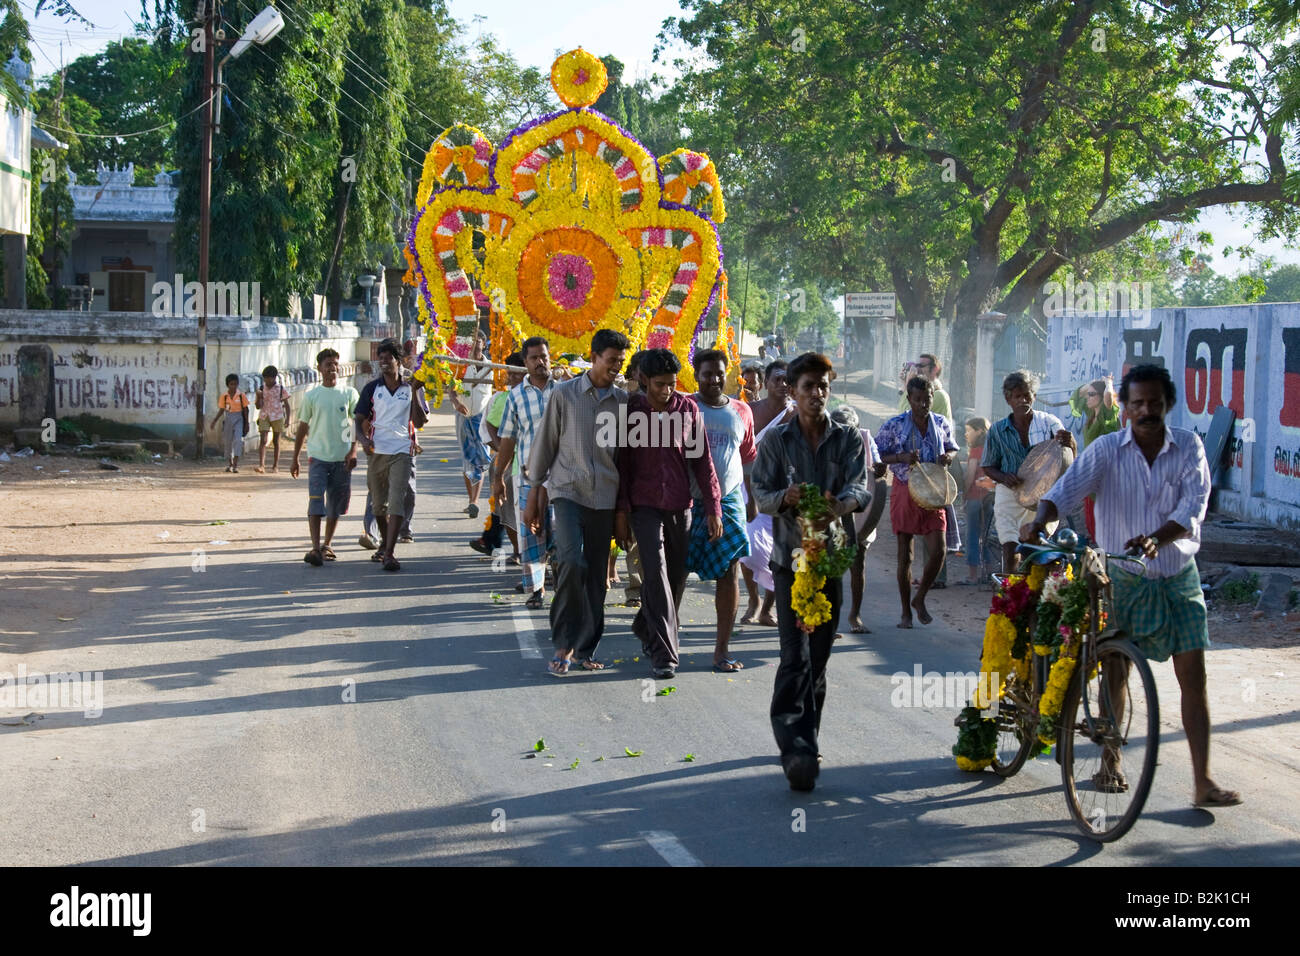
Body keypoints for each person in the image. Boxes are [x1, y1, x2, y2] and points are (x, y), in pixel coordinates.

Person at [1021, 364, 1241, 810]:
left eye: (1154, 403)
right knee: (1115, 672)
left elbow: (1194, 507)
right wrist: (1038, 519)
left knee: (1193, 679)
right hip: (1119, 577)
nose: (1146, 411)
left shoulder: (1190, 447)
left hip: (1178, 577)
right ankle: (1111, 759)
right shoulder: (1105, 450)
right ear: (1124, 406)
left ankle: (1203, 781)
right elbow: (1064, 491)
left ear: (1167, 405)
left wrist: (1157, 539)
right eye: (1137, 403)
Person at [751, 352, 870, 791]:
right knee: (794, 657)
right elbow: (760, 493)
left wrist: (839, 506)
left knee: (818, 660)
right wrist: (788, 496)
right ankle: (795, 747)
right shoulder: (776, 441)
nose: (817, 394)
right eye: (808, 387)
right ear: (793, 392)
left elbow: (861, 486)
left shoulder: (848, 438)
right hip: (789, 559)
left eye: (823, 386)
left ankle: (809, 739)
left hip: (831, 558)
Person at [525, 328, 630, 675]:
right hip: (568, 492)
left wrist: (623, 511)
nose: (616, 366)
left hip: (604, 499)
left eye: (621, 361)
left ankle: (586, 648)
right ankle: (563, 643)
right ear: (595, 356)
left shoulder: (624, 403)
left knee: (597, 577)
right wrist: (534, 496)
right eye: (611, 359)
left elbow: (627, 458)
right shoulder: (564, 395)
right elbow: (546, 444)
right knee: (571, 562)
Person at [616, 348, 722, 679]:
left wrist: (714, 506)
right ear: (644, 381)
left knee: (676, 578)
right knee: (656, 572)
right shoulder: (630, 411)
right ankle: (665, 655)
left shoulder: (688, 409)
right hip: (643, 506)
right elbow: (622, 466)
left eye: (672, 384)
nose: (666, 391)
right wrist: (621, 513)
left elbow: (703, 464)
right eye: (659, 384)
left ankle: (645, 625)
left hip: (680, 506)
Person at [687, 348, 757, 671]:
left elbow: (747, 458)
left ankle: (722, 650)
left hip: (729, 501)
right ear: (696, 375)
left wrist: (751, 498)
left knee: (729, 572)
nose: (714, 379)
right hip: (690, 501)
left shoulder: (742, 411)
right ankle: (664, 643)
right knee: (676, 571)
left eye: (719, 373)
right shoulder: (685, 407)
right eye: (707, 374)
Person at [875, 376, 959, 628]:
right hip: (905, 488)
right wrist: (901, 456)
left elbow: (952, 447)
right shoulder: (896, 424)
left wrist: (948, 457)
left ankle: (920, 597)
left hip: (933, 490)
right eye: (918, 400)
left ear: (933, 397)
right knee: (905, 555)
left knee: (940, 550)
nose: (923, 404)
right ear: (909, 399)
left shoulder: (941, 423)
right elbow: (878, 454)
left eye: (927, 399)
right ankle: (905, 612)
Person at [979, 369, 1075, 574]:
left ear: (1034, 396)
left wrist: (1070, 442)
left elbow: (1068, 454)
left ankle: (1030, 592)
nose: (1023, 400)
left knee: (1035, 547)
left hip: (1042, 496)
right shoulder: (997, 430)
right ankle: (1010, 592)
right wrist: (1004, 477)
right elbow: (988, 466)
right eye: (1017, 396)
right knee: (1009, 545)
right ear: (1008, 399)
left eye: (1027, 395)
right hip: (1009, 493)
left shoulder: (1049, 423)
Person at [354, 338, 427, 572]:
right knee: (378, 507)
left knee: (396, 501)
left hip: (402, 451)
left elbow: (419, 420)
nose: (384, 363)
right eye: (381, 359)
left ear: (399, 361)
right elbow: (358, 420)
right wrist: (364, 440)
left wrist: (416, 392)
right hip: (377, 451)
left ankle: (389, 553)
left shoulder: (411, 387)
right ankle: (386, 544)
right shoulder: (372, 389)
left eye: (389, 358)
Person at [494, 336, 556, 607]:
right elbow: (507, 440)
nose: (540, 362)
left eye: (544, 356)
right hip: (530, 476)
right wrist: (498, 478)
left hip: (562, 477)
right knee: (531, 534)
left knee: (562, 532)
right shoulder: (516, 397)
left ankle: (564, 586)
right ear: (525, 363)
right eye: (534, 358)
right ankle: (537, 589)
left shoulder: (565, 390)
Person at [290, 349, 359, 565]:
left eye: (335, 363)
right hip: (317, 458)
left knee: (335, 504)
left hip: (342, 458)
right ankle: (314, 547)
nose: (332, 367)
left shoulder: (349, 394)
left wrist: (353, 450)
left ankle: (327, 544)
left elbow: (358, 421)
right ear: (319, 368)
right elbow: (302, 427)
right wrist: (295, 458)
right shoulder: (312, 396)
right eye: (328, 364)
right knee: (316, 502)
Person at [741, 360, 794, 625]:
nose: (783, 385)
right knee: (747, 546)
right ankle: (753, 600)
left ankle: (767, 609)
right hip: (749, 487)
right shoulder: (749, 411)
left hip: (783, 491)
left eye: (788, 380)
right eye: (778, 380)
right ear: (766, 382)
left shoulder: (797, 416)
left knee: (780, 551)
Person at [828, 405, 884, 634]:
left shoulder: (865, 441)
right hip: (830, 511)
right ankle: (828, 618)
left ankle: (855, 615)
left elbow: (876, 472)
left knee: (857, 562)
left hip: (859, 510)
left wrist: (878, 469)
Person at [471, 350, 525, 559]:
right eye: (508, 374)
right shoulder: (503, 398)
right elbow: (490, 425)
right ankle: (519, 550)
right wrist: (503, 449)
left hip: (534, 464)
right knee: (506, 512)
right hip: (508, 465)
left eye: (515, 374)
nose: (510, 378)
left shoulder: (543, 394)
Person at [1069, 377, 1121, 539]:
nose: (1087, 397)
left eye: (1091, 395)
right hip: (1091, 474)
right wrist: (1095, 382)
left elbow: (1108, 401)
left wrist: (1108, 385)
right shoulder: (1091, 412)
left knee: (1106, 526)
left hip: (1107, 476)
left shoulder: (1107, 417)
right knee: (1092, 525)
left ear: (1101, 397)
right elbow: (1077, 395)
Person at [451, 330, 493, 520]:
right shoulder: (461, 365)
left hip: (483, 420)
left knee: (480, 460)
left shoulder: (492, 367)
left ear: (484, 344)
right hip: (464, 418)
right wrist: (457, 403)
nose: (477, 342)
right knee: (467, 459)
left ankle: (474, 501)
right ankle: (471, 499)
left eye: (480, 339)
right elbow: (451, 388)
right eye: (473, 339)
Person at [957, 416, 998, 585]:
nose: (966, 434)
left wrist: (964, 497)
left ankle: (972, 575)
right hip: (989, 498)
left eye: (969, 430)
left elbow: (969, 477)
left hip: (975, 498)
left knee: (972, 536)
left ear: (980, 431)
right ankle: (988, 572)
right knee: (986, 535)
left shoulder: (975, 451)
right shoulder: (992, 449)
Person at [254, 365, 291, 474]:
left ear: (274, 378)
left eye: (269, 378)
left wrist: (288, 419)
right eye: (265, 378)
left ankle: (275, 466)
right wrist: (259, 397)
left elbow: (287, 405)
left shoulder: (280, 389)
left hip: (278, 416)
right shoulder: (262, 389)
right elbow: (258, 406)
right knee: (263, 440)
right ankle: (261, 465)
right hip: (264, 415)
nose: (267, 381)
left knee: (276, 441)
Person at [211, 373, 249, 473]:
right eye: (231, 384)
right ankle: (230, 463)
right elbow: (222, 410)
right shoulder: (224, 396)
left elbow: (245, 409)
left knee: (238, 440)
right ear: (228, 385)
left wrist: (247, 423)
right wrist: (214, 421)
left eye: (235, 384)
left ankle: (236, 464)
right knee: (228, 442)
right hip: (228, 418)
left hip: (239, 419)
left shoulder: (241, 396)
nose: (233, 386)